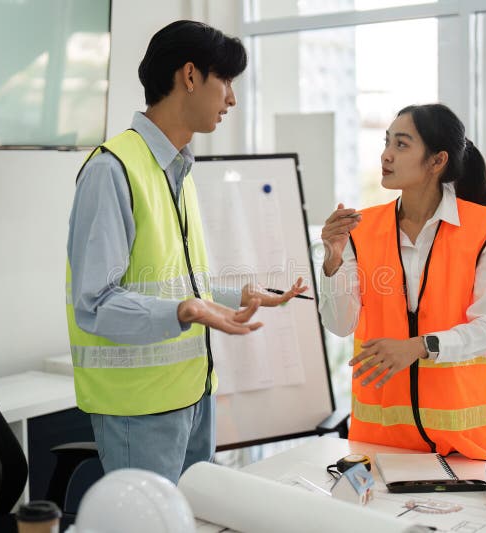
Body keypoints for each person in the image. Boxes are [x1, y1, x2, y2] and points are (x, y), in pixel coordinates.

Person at [66, 20, 307, 483]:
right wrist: (188, 309)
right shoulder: (112, 170)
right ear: (191, 76)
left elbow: (172, 284)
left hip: (193, 398)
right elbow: (94, 304)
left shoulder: (178, 169)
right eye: (226, 82)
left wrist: (237, 297)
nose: (232, 100)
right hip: (140, 408)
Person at [319, 103, 486, 460]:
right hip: (376, 444)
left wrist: (419, 346)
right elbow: (340, 324)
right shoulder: (362, 230)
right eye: (387, 142)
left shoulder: (484, 229)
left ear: (437, 161)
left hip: (460, 448)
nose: (386, 155)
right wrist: (331, 260)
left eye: (402, 145)